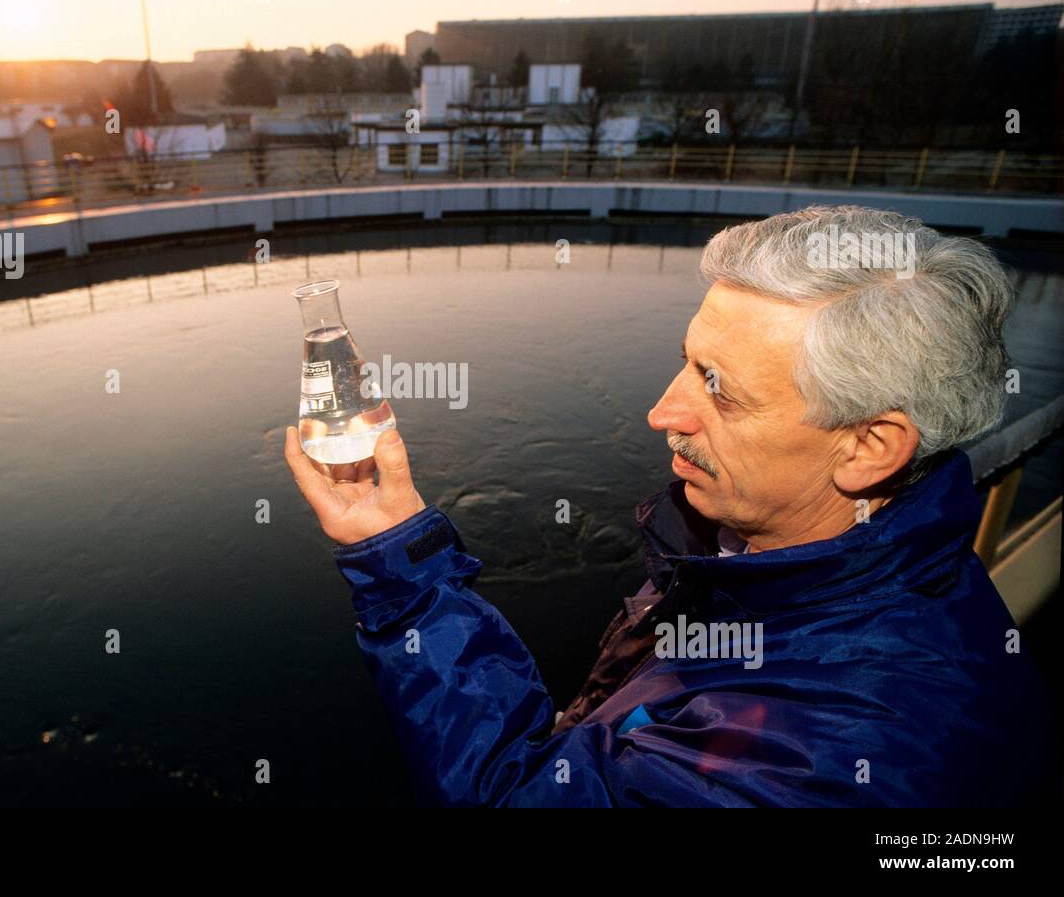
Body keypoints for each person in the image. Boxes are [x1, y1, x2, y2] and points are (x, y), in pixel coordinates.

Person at [283, 205, 1055, 807]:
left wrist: (405, 578)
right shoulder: (775, 556)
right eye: (689, 361)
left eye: (718, 386)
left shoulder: (828, 758)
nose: (663, 410)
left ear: (868, 446)